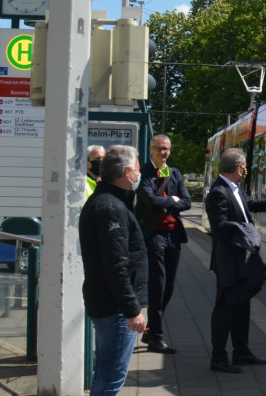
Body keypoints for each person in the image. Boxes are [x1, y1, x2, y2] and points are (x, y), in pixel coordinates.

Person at [205, 147, 266, 373]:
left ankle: (241, 351)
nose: (245, 170)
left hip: (242, 260)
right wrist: (245, 232)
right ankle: (218, 357)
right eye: (245, 167)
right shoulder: (219, 192)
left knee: (242, 306)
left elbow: (248, 205)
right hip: (229, 261)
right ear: (240, 167)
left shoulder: (235, 189)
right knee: (225, 309)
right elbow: (219, 228)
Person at [79, 145, 147, 396]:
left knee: (105, 370)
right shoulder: (110, 208)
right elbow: (117, 264)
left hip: (108, 304)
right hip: (115, 308)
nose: (140, 175)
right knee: (111, 377)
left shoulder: (109, 202)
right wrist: (132, 310)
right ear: (128, 172)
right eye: (138, 170)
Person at [135, 134, 191, 355]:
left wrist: (171, 202)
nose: (163, 152)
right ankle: (156, 337)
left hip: (173, 235)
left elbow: (187, 201)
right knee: (157, 286)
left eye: (166, 149)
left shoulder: (174, 173)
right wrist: (172, 201)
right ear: (151, 150)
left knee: (168, 287)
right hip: (153, 235)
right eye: (159, 148)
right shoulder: (145, 174)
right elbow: (149, 200)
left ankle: (151, 328)